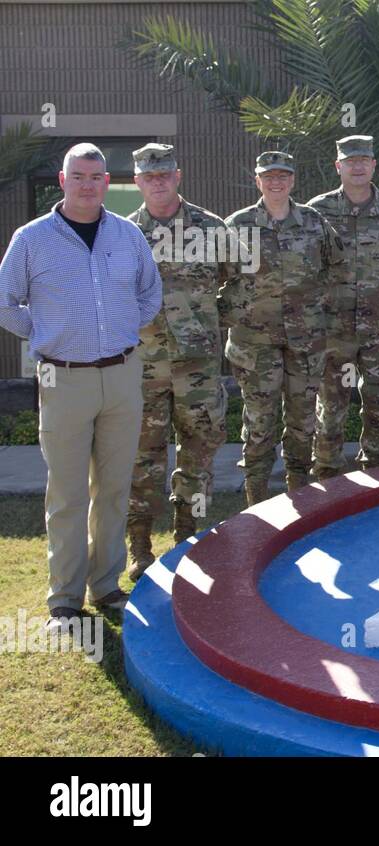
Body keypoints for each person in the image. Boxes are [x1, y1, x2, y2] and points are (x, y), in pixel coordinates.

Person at [0, 142, 161, 630]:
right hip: (63, 378)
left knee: (113, 488)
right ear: (62, 179)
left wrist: (130, 323)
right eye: (79, 175)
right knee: (68, 493)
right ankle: (65, 598)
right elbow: (5, 301)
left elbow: (150, 290)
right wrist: (44, 332)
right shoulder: (32, 239)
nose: (88, 184)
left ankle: (106, 585)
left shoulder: (128, 235)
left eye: (96, 177)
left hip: (122, 374)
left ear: (106, 183)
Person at [124, 143, 232, 578]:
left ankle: (187, 537)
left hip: (198, 367)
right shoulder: (123, 233)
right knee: (140, 456)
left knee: (199, 452)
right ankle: (140, 548)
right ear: (136, 181)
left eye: (164, 174)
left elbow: (235, 283)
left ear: (178, 175)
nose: (158, 181)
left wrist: (208, 325)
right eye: (149, 176)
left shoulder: (211, 228)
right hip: (143, 365)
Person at [221, 151, 344, 504]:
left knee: (303, 422)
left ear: (292, 181)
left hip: (305, 342)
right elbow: (217, 277)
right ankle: (256, 507)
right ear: (257, 181)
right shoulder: (236, 225)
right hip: (255, 344)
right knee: (259, 425)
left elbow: (336, 266)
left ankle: (298, 501)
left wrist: (317, 305)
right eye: (268, 176)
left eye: (282, 176)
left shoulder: (314, 222)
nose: (276, 182)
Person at [306, 135, 379, 477]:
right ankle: (326, 479)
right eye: (349, 161)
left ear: (373, 165)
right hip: (334, 331)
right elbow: (306, 265)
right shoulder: (318, 211)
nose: (357, 166)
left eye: (363, 160)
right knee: (331, 407)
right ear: (338, 166)